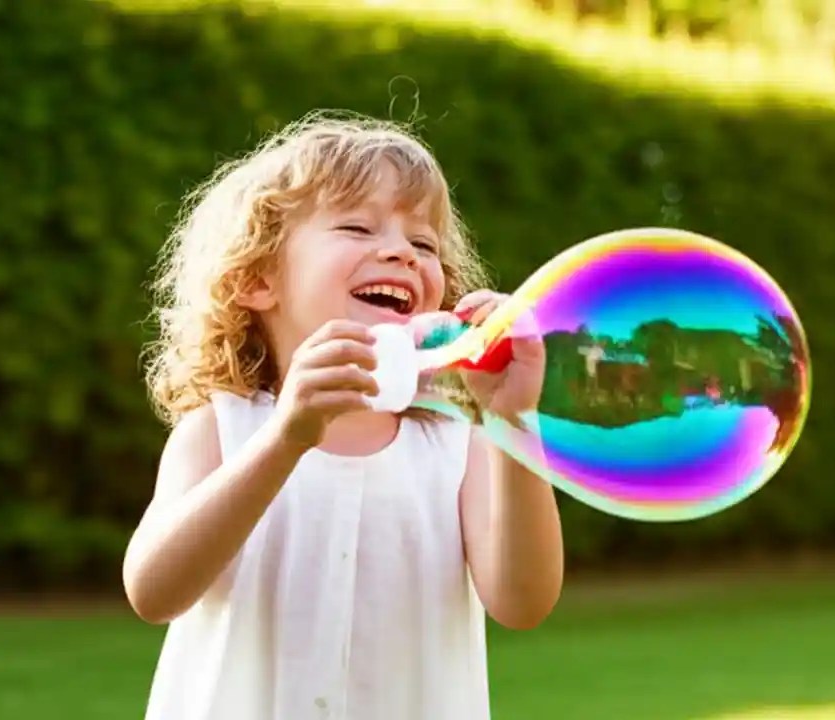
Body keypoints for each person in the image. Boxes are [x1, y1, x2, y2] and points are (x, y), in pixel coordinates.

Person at [124, 111, 566, 720]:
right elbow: (153, 591)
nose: (401, 254)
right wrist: (284, 440)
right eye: (358, 226)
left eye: (423, 244)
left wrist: (513, 420)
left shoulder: (457, 445)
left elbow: (524, 602)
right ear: (256, 280)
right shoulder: (223, 429)